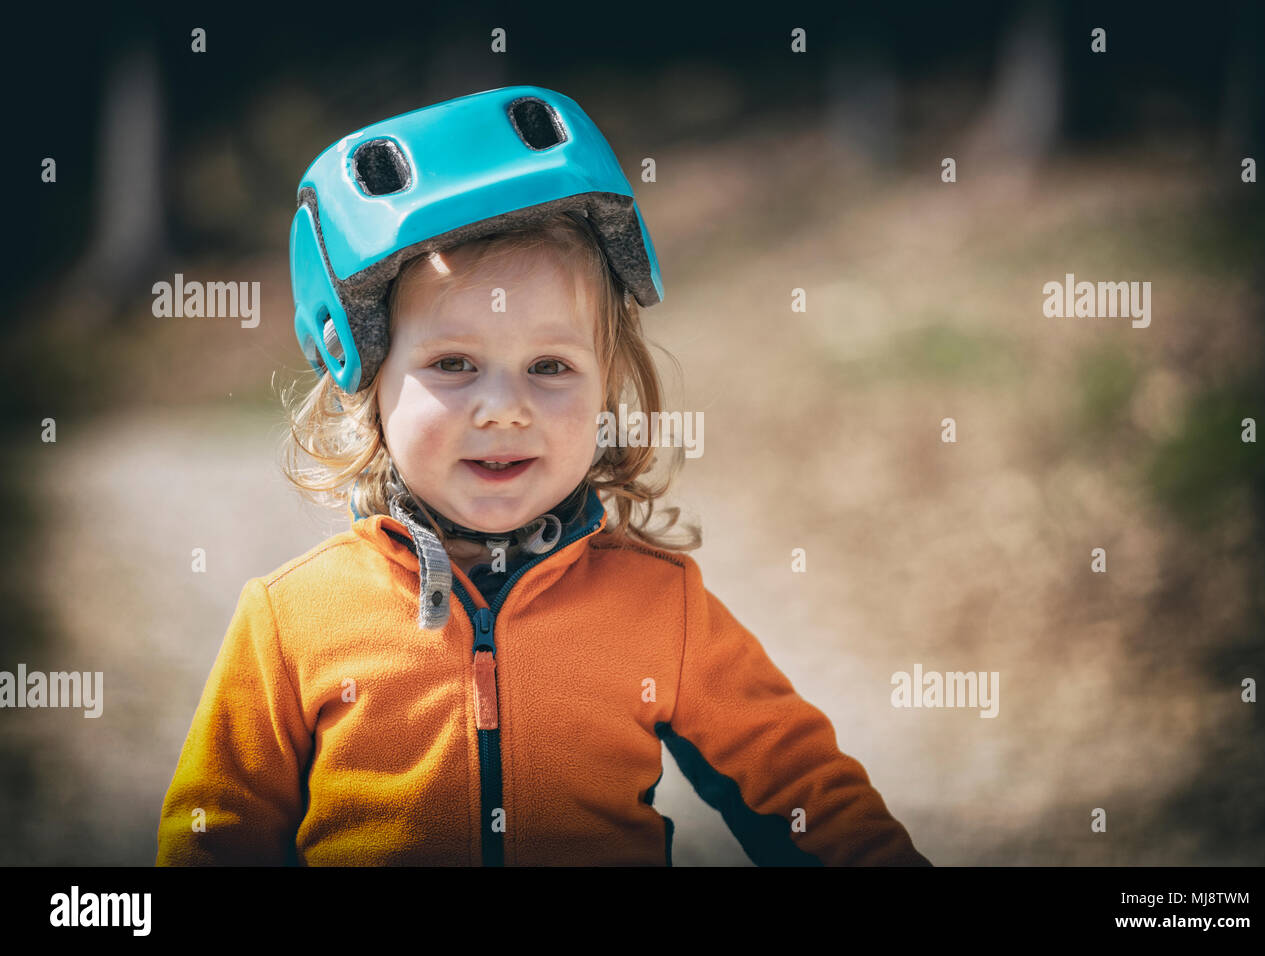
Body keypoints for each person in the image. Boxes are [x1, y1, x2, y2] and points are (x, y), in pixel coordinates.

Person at [156, 86, 930, 866]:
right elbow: (210, 837)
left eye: (550, 366)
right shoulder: (291, 623)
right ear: (367, 377)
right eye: (453, 364)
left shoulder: (661, 608)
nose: (504, 409)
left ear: (607, 388)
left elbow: (804, 791)